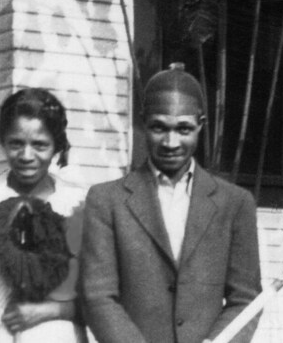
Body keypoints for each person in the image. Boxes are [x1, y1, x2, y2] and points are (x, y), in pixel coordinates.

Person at [79, 63, 263, 343]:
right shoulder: (106, 200)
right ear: (143, 123)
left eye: (184, 129)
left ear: (201, 125)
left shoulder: (235, 203)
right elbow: (97, 295)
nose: (171, 142)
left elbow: (246, 299)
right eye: (159, 128)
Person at [0, 87, 87, 343]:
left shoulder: (80, 203)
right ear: (2, 140)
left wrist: (49, 310)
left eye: (39, 145)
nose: (26, 156)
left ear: (56, 145)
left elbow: (98, 293)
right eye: (16, 143)